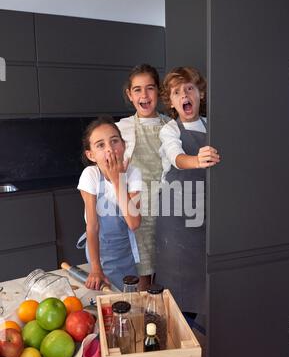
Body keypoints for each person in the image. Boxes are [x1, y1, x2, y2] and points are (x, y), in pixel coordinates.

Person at [155, 66, 221, 329]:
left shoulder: (212, 126)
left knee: (203, 281)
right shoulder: (169, 130)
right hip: (175, 220)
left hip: (204, 213)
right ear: (171, 101)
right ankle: (177, 335)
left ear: (200, 94)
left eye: (190, 89)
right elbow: (176, 157)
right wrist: (198, 160)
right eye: (176, 92)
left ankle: (200, 339)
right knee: (177, 283)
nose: (184, 95)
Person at [116, 64, 169, 290]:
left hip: (170, 209)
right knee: (143, 278)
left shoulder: (171, 126)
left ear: (158, 92)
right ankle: (146, 321)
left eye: (150, 88)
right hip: (139, 211)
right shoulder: (122, 128)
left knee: (168, 274)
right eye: (137, 90)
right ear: (129, 94)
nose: (144, 95)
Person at [77, 115, 142, 291]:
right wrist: (96, 270)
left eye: (114, 141)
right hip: (99, 254)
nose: (109, 149)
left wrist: (117, 180)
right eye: (100, 145)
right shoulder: (91, 175)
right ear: (91, 155)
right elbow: (92, 226)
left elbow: (134, 223)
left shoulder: (133, 173)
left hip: (126, 255)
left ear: (124, 145)